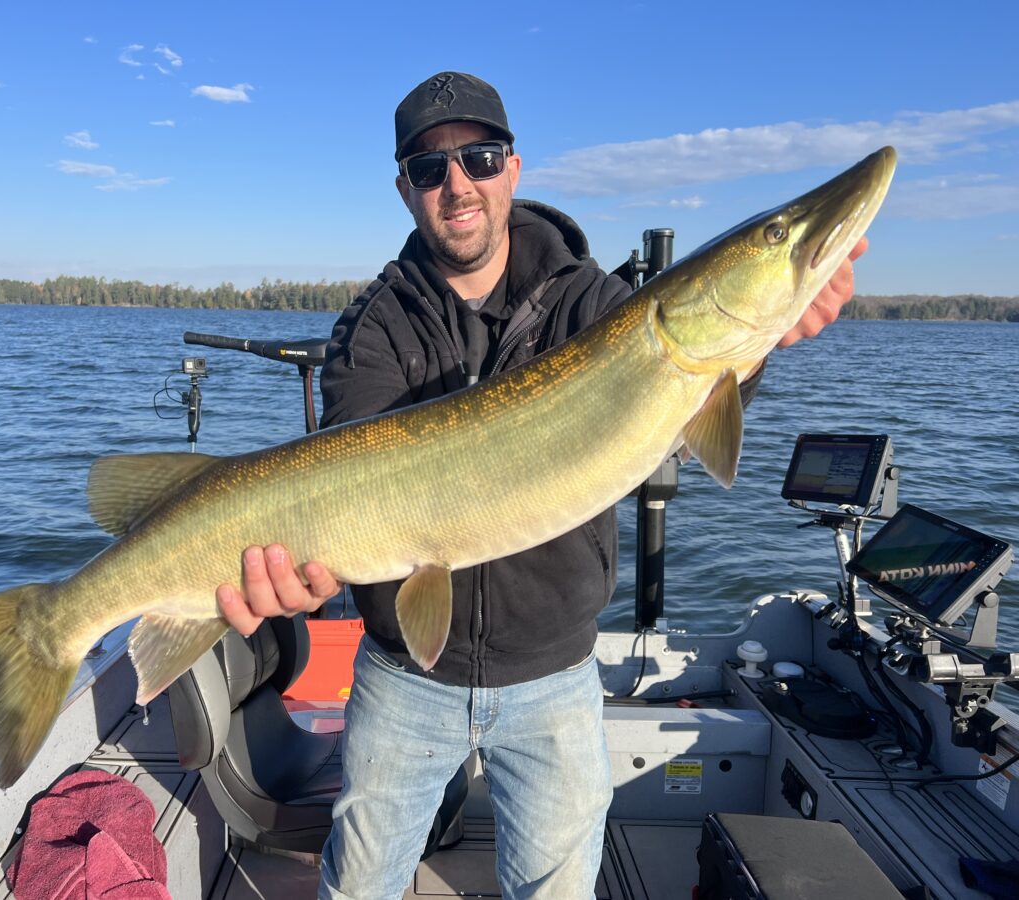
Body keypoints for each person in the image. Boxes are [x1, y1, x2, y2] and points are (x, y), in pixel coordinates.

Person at [215, 72, 868, 899]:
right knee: (358, 886)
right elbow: (345, 480)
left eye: (479, 158)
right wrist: (299, 576)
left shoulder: (594, 302)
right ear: (405, 190)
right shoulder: (374, 325)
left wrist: (763, 341)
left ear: (512, 170)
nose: (458, 184)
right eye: (429, 168)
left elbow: (695, 397)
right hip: (407, 672)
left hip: (555, 672)